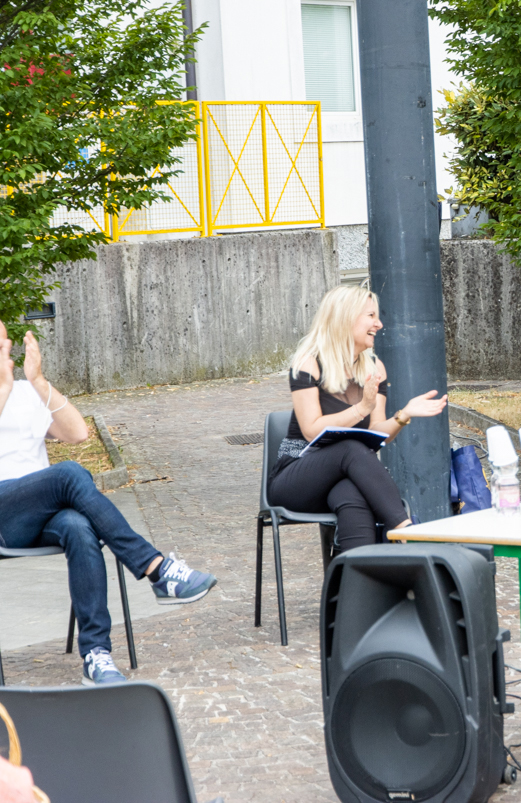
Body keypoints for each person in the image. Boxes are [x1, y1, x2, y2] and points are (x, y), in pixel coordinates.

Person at [0, 322, 217, 686]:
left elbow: (77, 433)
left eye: (3, 339)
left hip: (43, 512)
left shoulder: (25, 392)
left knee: (79, 527)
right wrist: (4, 388)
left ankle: (95, 654)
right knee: (69, 474)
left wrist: (37, 381)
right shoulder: (7, 391)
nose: (3, 347)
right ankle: (156, 569)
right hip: (4, 516)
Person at [267, 286, 448, 551]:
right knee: (351, 448)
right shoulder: (309, 363)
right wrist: (361, 408)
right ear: (345, 318)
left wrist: (404, 415)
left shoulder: (373, 366)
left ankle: (355, 586)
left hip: (343, 477)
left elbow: (376, 431)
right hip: (295, 477)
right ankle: (404, 528)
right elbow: (311, 430)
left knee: (353, 497)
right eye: (371, 316)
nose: (379, 324)